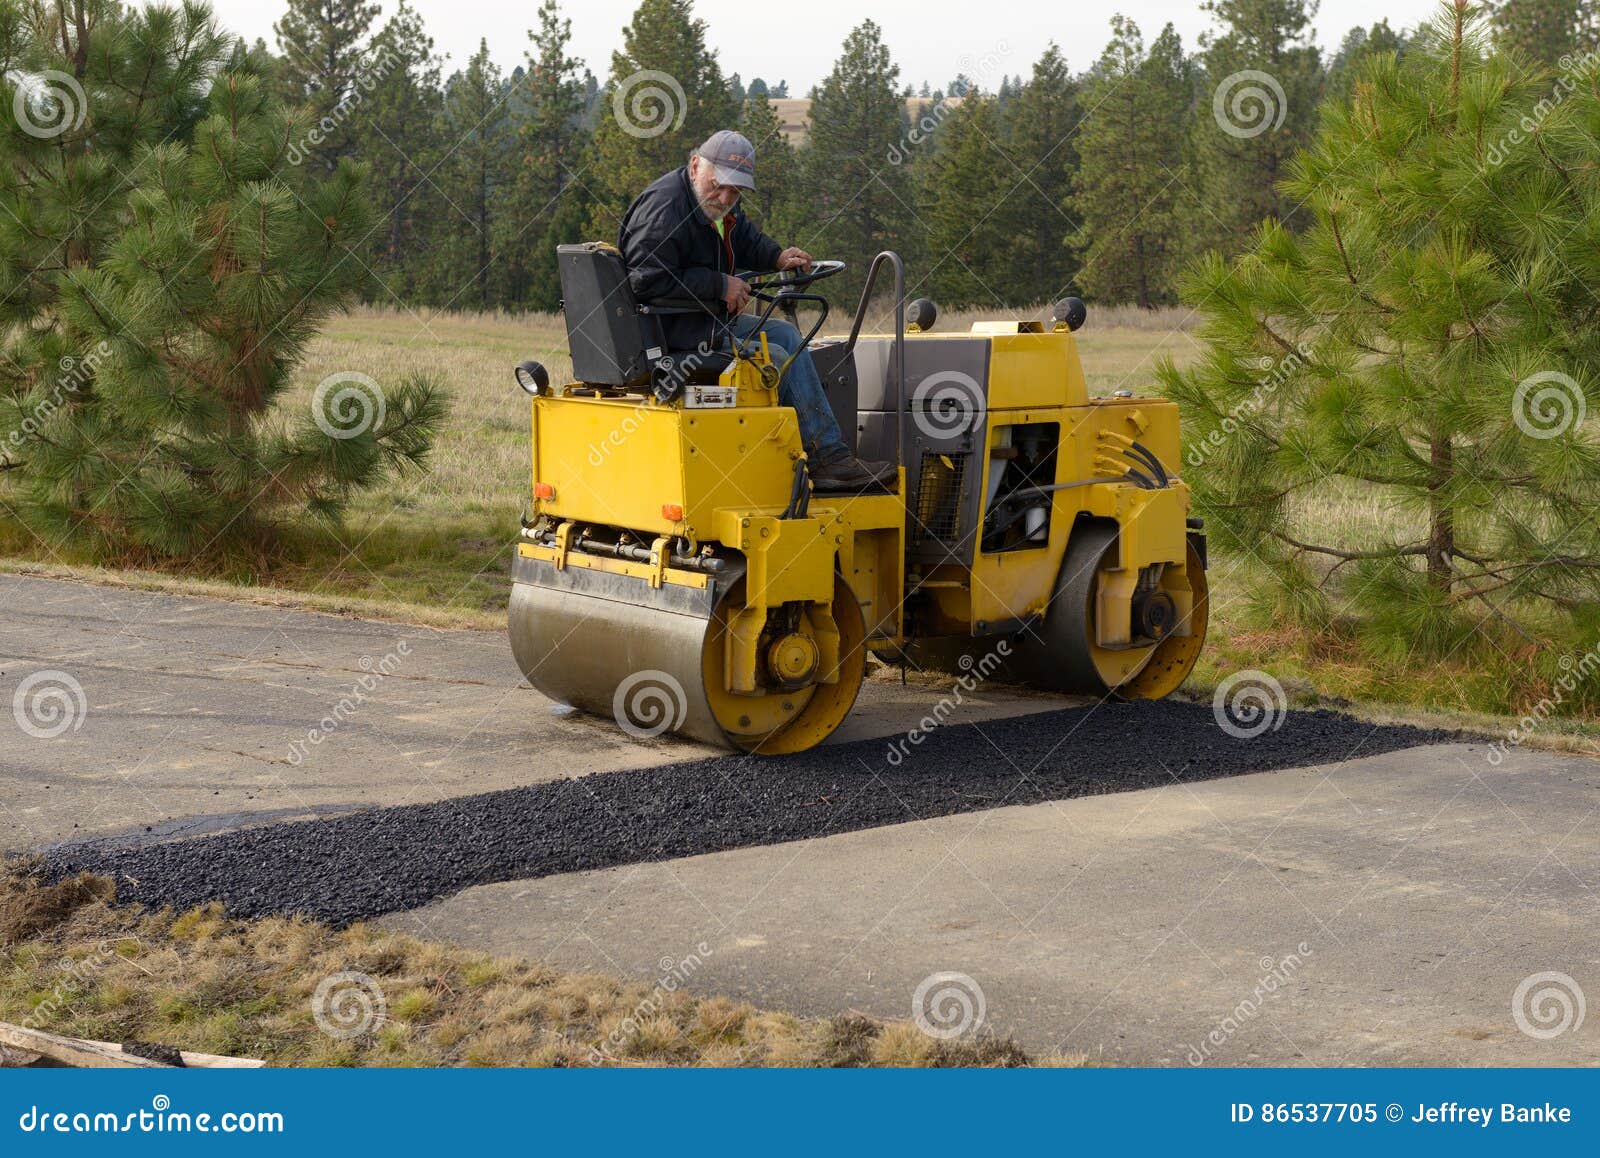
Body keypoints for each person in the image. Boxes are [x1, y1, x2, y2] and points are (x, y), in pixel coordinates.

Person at [618, 130, 896, 493]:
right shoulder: (666, 209)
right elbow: (646, 279)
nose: (725, 197)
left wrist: (777, 257)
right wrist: (719, 286)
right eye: (719, 186)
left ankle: (827, 456)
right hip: (672, 333)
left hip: (700, 321)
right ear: (695, 165)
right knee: (774, 356)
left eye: (735, 192)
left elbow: (744, 237)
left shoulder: (713, 205)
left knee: (786, 335)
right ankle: (794, 463)